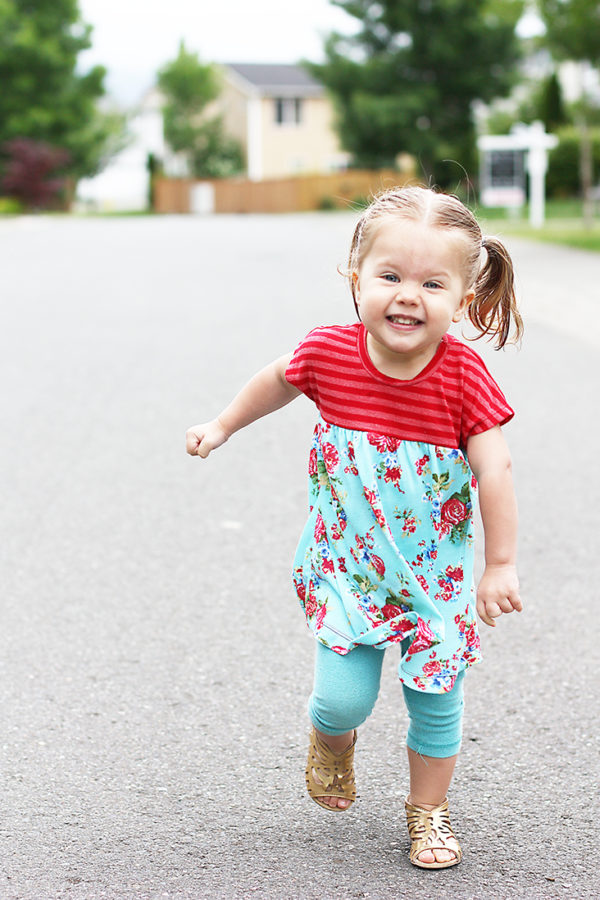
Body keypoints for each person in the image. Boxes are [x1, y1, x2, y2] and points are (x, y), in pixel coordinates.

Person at [186, 186, 523, 870]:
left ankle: (428, 812)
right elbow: (278, 379)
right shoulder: (332, 354)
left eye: (432, 283)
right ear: (356, 277)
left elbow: (495, 469)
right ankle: (332, 741)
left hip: (435, 580)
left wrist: (500, 563)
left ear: (461, 300)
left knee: (435, 699)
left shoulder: (461, 377)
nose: (408, 296)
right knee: (342, 701)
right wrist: (222, 424)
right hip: (351, 569)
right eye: (390, 276)